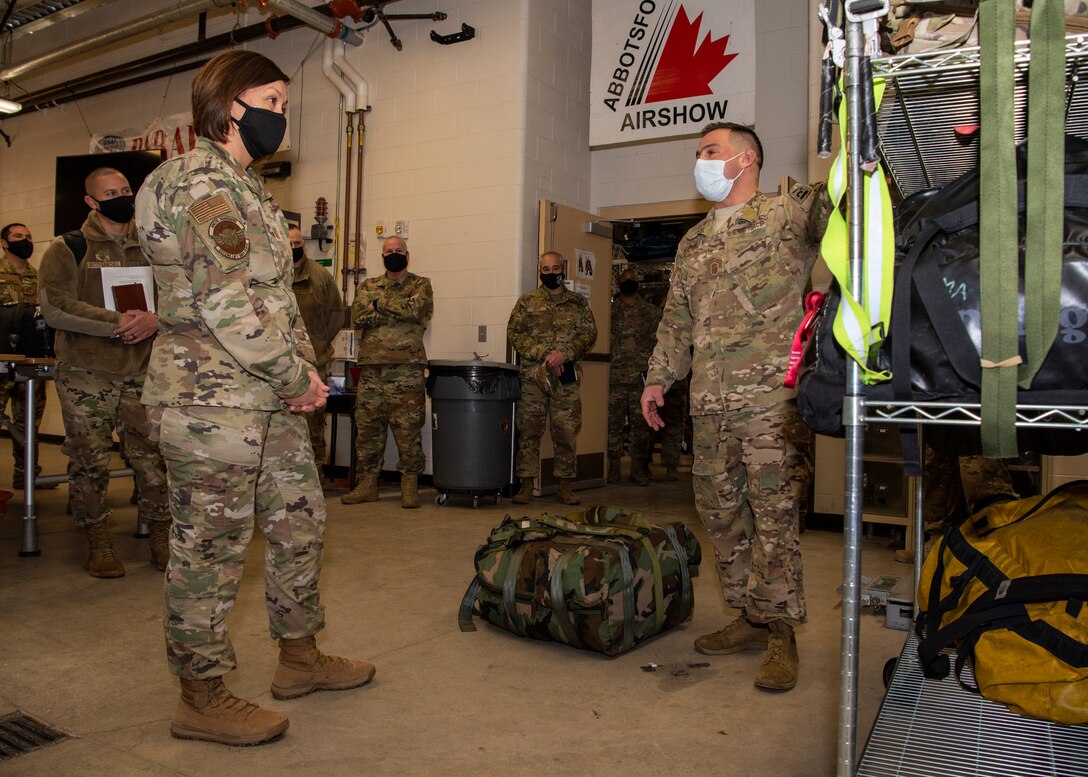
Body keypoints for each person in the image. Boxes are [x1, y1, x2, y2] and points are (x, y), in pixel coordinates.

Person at [135, 50, 373, 747]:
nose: (282, 113)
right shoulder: (201, 183)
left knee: (300, 521)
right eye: (273, 99)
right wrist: (297, 376)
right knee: (211, 546)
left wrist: (297, 373)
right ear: (230, 104)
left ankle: (299, 656)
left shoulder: (247, 187)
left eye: (285, 103)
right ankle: (200, 693)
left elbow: (278, 300)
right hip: (213, 401)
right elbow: (227, 301)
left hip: (265, 397)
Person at [641, 122, 831, 692]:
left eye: (710, 151)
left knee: (774, 517)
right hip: (708, 402)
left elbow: (850, 200)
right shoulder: (693, 242)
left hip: (772, 399)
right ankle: (749, 615)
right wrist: (657, 379)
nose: (700, 160)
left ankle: (781, 631)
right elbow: (676, 320)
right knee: (721, 515)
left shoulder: (787, 212)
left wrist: (860, 147)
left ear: (745, 159)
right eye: (699, 152)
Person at [37, 169, 170, 579]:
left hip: (141, 373)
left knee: (152, 460)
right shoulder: (68, 248)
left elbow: (177, 299)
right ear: (92, 202)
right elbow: (57, 307)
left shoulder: (151, 247)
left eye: (126, 191)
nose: (121, 198)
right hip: (86, 373)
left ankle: (161, 537)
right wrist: (117, 322)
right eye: (110, 193)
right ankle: (98, 538)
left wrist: (155, 320)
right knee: (89, 460)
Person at [341, 234, 433, 509]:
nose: (394, 253)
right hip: (371, 370)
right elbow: (358, 315)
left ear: (407, 254)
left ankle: (409, 485)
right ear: (382, 257)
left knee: (408, 430)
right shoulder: (369, 285)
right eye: (388, 250)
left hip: (407, 369)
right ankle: (367, 483)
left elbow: (418, 310)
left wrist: (378, 305)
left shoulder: (421, 284)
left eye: (399, 250)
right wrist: (399, 308)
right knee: (368, 428)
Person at [507, 250, 597, 505]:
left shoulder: (578, 303)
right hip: (533, 377)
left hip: (566, 378)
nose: (550, 274)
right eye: (545, 270)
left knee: (566, 432)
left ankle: (565, 486)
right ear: (540, 272)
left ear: (563, 270)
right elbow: (515, 333)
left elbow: (589, 335)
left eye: (555, 269)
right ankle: (526, 484)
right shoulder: (527, 302)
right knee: (529, 432)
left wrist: (564, 354)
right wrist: (546, 354)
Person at [289, 225, 346, 485]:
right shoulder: (271, 273)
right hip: (280, 365)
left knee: (313, 424)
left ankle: (315, 477)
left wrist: (319, 344)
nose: (294, 247)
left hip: (313, 363)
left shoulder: (319, 275)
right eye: (289, 243)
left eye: (298, 242)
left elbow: (336, 313)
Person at [0, 222, 48, 489]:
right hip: (0, 361)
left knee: (29, 422)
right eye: (18, 236)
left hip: (30, 363)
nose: (25, 240)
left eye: (28, 236)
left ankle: (27, 474)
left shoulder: (40, 277)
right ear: (4, 243)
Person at [607, 266, 658, 485]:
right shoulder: (610, 311)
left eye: (632, 279)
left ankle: (638, 467)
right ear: (619, 283)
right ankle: (613, 467)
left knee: (640, 426)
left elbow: (659, 343)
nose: (628, 281)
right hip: (615, 377)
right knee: (612, 424)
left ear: (638, 282)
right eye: (624, 279)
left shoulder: (650, 312)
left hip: (640, 377)